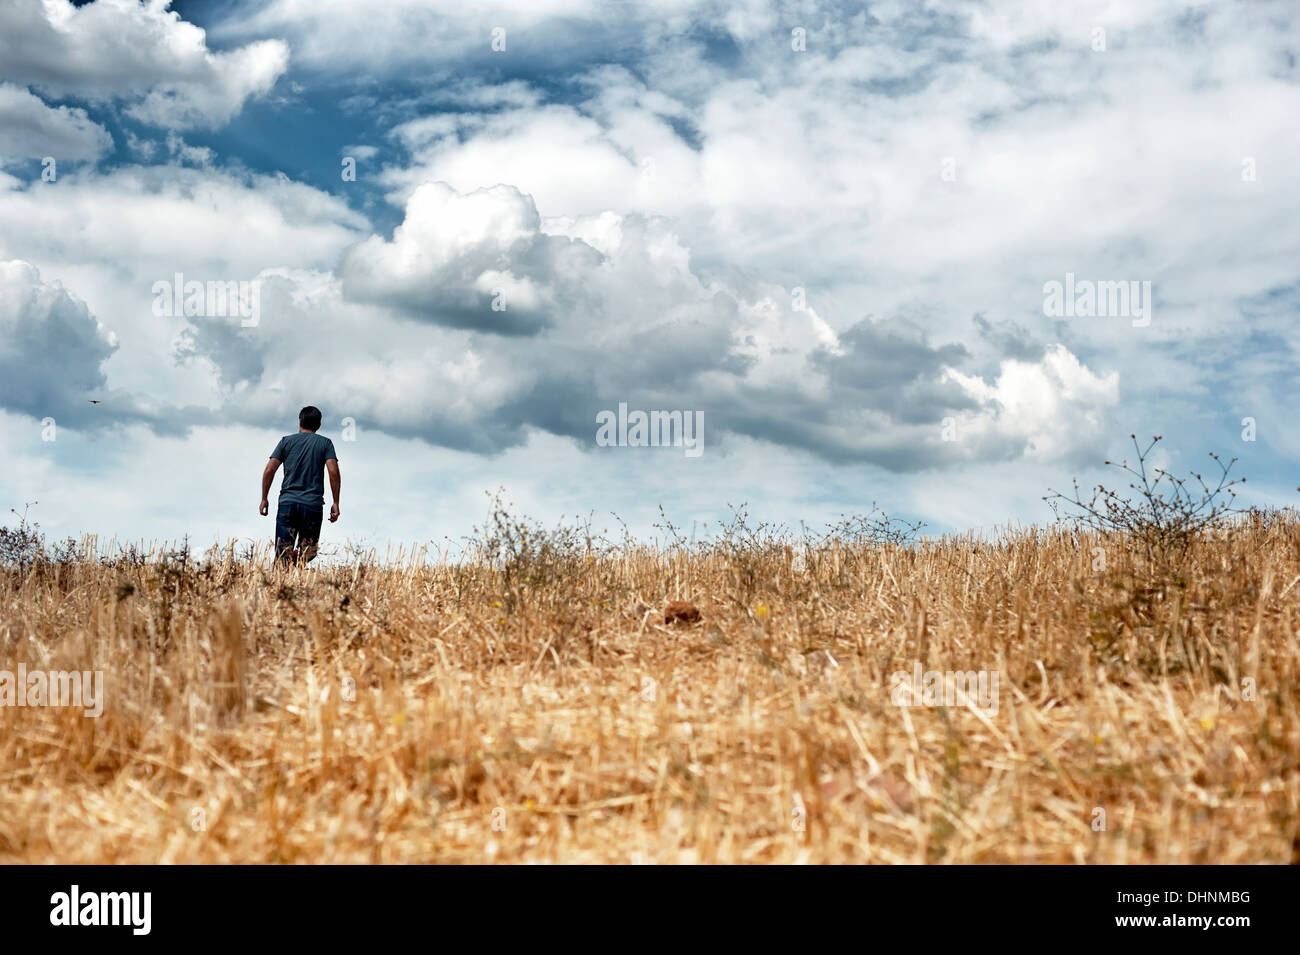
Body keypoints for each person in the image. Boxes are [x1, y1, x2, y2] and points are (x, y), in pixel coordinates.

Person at [259, 406, 340, 564]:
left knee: (283, 553)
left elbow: (269, 469)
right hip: (312, 505)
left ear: (300, 421)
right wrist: (336, 502)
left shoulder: (286, 442)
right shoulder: (325, 444)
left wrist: (264, 498)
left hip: (287, 504)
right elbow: (334, 473)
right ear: (319, 424)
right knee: (308, 552)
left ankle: (285, 579)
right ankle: (296, 572)